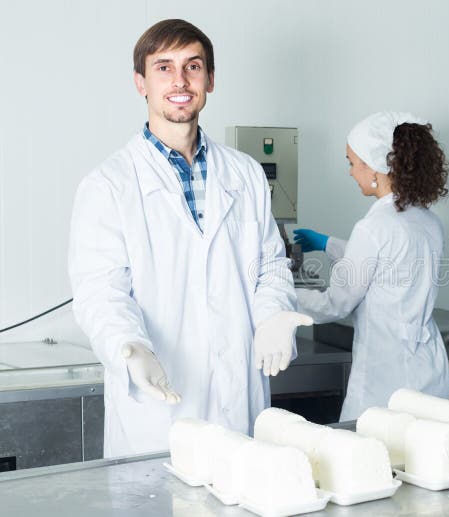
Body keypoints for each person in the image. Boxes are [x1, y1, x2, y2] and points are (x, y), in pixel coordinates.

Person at [68, 19, 310, 457]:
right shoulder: (108, 184)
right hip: (157, 417)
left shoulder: (246, 174)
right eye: (163, 67)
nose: (179, 81)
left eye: (192, 66)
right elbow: (100, 292)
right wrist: (130, 347)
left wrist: (274, 313)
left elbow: (270, 266)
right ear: (140, 82)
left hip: (238, 406)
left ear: (210, 80)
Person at [293, 111, 449, 422]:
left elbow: (335, 304)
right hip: (429, 370)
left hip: (385, 379)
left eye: (353, 163)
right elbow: (390, 266)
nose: (351, 172)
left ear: (375, 168)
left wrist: (281, 295)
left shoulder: (374, 226)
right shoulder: (428, 220)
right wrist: (329, 243)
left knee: (374, 458)